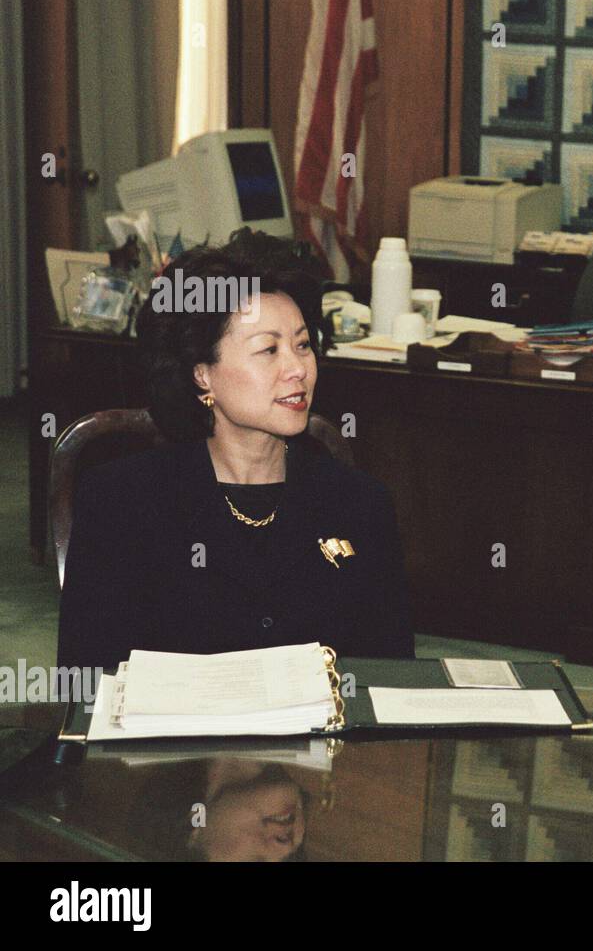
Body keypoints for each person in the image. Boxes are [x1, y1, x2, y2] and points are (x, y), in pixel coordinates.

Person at [57, 229, 414, 671]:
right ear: (202, 374)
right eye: (268, 350)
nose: (297, 369)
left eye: (302, 345)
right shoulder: (121, 503)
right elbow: (86, 682)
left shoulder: (360, 504)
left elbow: (392, 677)